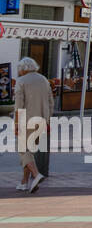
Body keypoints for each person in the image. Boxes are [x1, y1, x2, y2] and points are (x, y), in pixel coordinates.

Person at [13, 57, 53, 194]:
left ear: (23, 68)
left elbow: (19, 104)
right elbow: (51, 102)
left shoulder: (21, 81)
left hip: (26, 120)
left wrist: (17, 123)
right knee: (29, 151)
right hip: (42, 120)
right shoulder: (44, 80)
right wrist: (47, 119)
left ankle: (36, 175)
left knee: (23, 150)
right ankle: (25, 182)